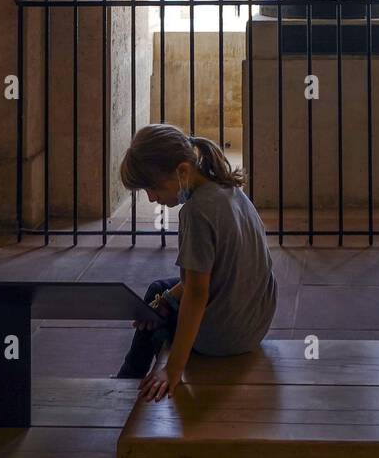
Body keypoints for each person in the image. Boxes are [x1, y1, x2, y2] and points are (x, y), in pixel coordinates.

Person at [115, 125, 277, 400]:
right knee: (160, 296)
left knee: (156, 308)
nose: (152, 197)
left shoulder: (196, 213)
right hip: (255, 322)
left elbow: (197, 292)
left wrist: (173, 368)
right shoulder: (228, 188)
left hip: (223, 337)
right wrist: (167, 300)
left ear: (182, 171)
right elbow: (206, 276)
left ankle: (128, 381)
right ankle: (129, 375)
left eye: (153, 187)